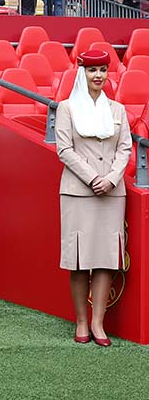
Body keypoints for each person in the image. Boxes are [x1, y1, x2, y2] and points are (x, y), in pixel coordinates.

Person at [55, 50, 131, 347]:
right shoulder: (67, 108)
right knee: (79, 259)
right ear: (81, 73)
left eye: (102, 70)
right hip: (78, 191)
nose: (97, 75)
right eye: (91, 70)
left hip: (112, 192)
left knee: (105, 258)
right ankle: (82, 322)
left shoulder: (118, 110)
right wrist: (93, 178)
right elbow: (64, 150)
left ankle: (98, 323)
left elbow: (125, 148)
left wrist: (111, 178)